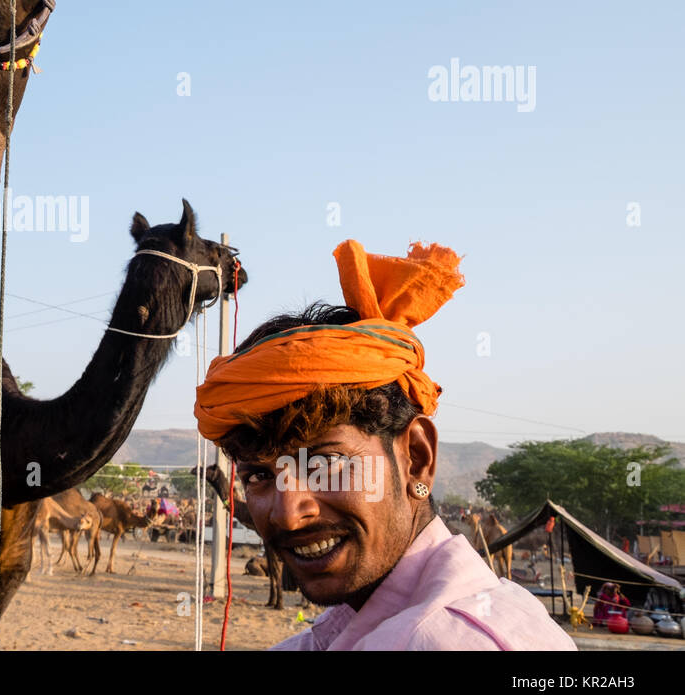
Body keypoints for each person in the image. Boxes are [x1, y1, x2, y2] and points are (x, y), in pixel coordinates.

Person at [194, 240, 575, 650]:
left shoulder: (452, 641)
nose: (289, 515)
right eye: (260, 475)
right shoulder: (356, 628)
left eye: (323, 464)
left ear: (416, 459)